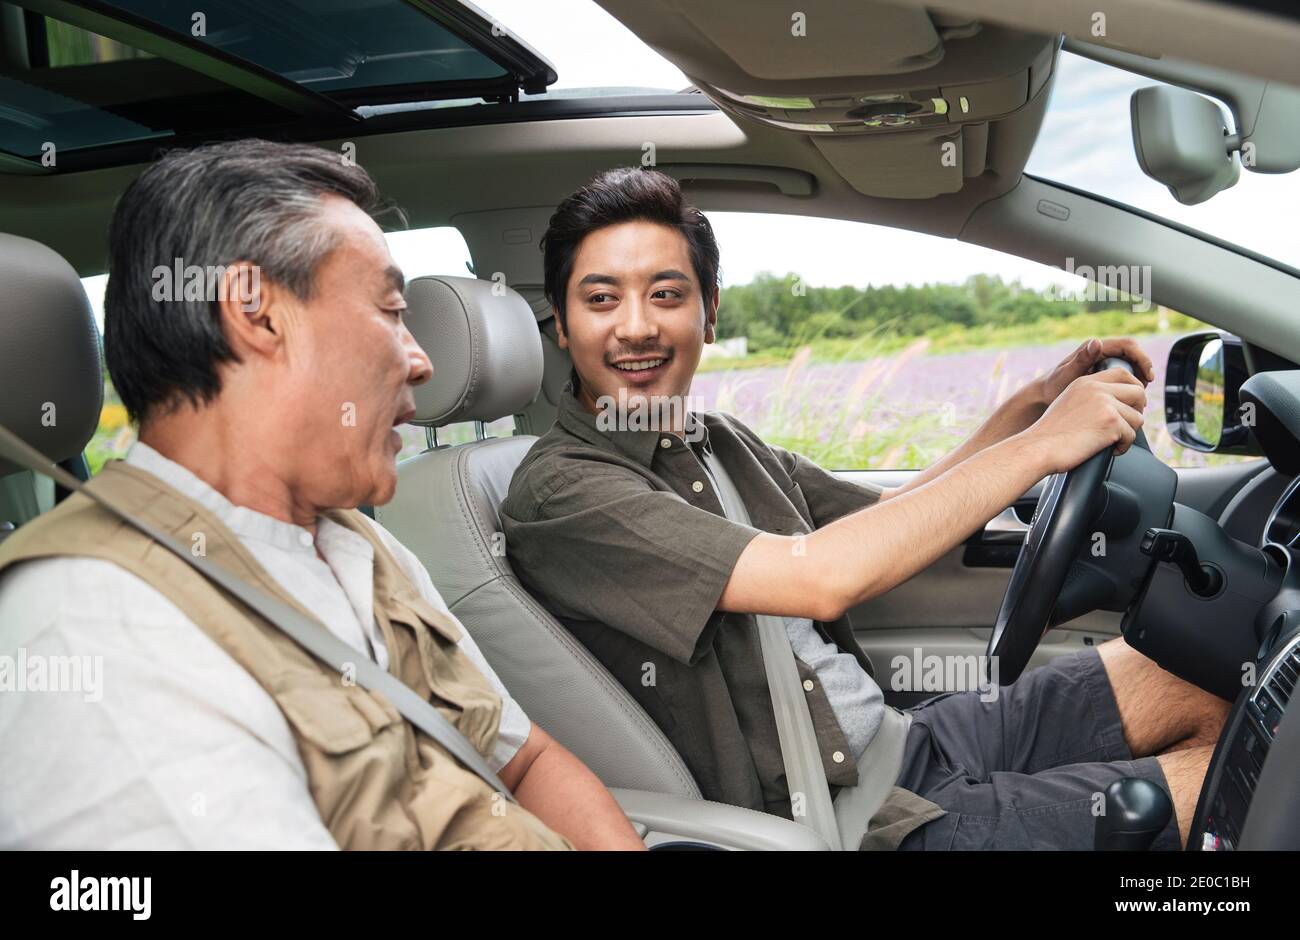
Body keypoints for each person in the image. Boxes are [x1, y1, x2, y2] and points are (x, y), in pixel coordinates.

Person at [501, 167, 1230, 850]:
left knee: (1192, 672)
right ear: (562, 325)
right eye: (601, 299)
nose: (636, 327)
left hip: (904, 740)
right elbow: (822, 576)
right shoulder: (565, 492)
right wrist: (1044, 447)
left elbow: (893, 512)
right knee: (1232, 788)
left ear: (710, 312)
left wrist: (1029, 405)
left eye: (666, 294)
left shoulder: (714, 439)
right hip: (852, 818)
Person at [0, 140, 645, 851]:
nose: (421, 359)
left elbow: (523, 763)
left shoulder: (360, 544)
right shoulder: (96, 622)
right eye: (391, 310)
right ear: (257, 313)